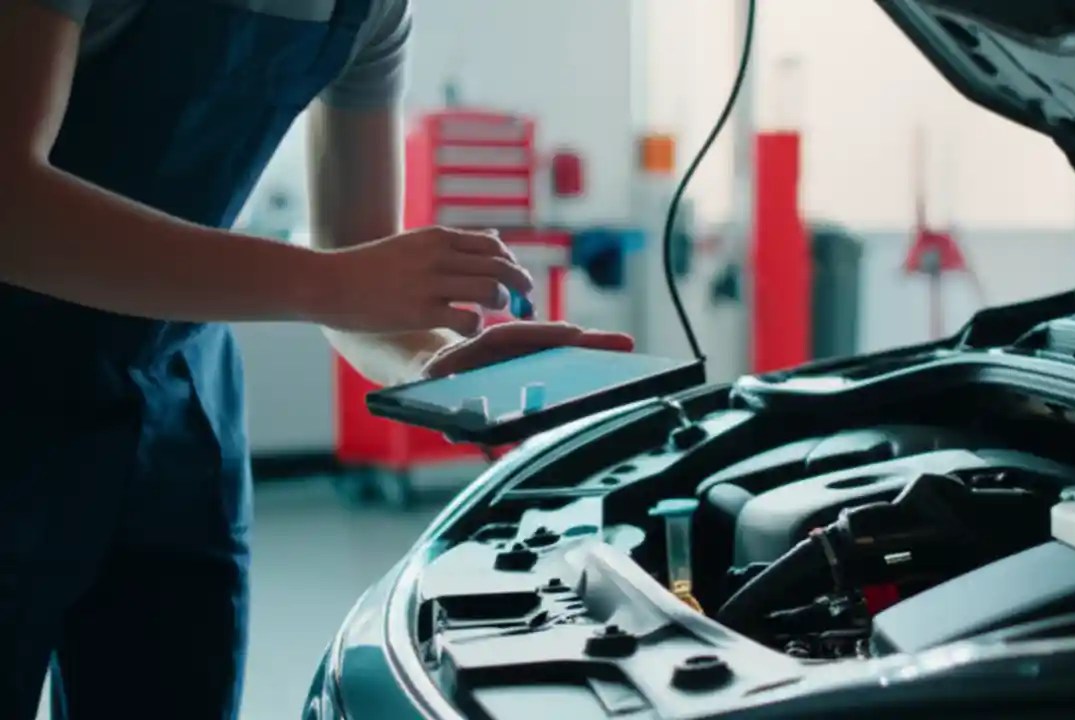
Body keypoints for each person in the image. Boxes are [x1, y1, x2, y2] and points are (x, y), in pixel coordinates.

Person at [0, 0, 634, 717]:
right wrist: (331, 281)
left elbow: (353, 272)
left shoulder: (372, 14)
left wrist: (439, 365)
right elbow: (9, 204)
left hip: (180, 405)